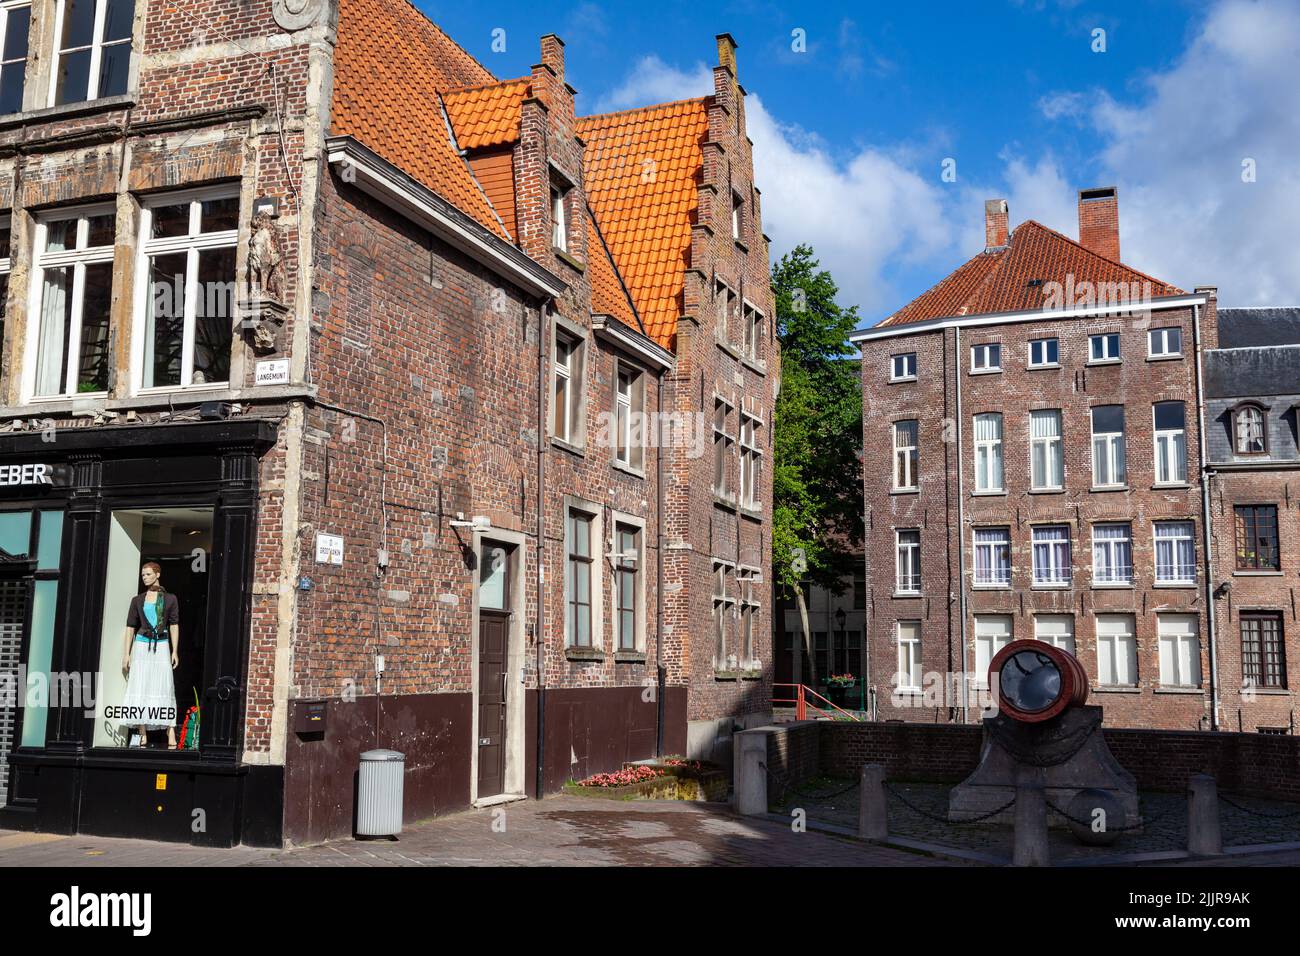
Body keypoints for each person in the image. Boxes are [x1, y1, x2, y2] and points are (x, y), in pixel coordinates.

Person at [120, 562, 180, 748]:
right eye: (143, 575)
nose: (144, 577)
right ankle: (142, 732)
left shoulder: (170, 599)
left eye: (147, 574)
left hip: (161, 645)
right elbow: (130, 626)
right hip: (141, 645)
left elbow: (174, 624)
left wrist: (174, 650)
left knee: (164, 686)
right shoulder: (138, 600)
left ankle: (171, 733)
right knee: (141, 684)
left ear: (157, 574)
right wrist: (126, 653)